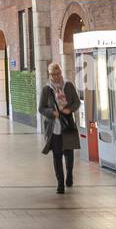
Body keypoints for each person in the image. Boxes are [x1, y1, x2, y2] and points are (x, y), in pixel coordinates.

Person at [38, 62, 80, 194]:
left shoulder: (68, 86)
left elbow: (76, 102)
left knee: (69, 153)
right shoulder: (47, 89)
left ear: (61, 73)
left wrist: (69, 110)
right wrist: (52, 113)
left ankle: (69, 175)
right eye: (53, 75)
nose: (56, 77)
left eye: (58, 74)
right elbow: (41, 108)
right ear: (49, 75)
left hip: (67, 125)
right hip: (54, 128)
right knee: (57, 156)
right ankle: (60, 183)